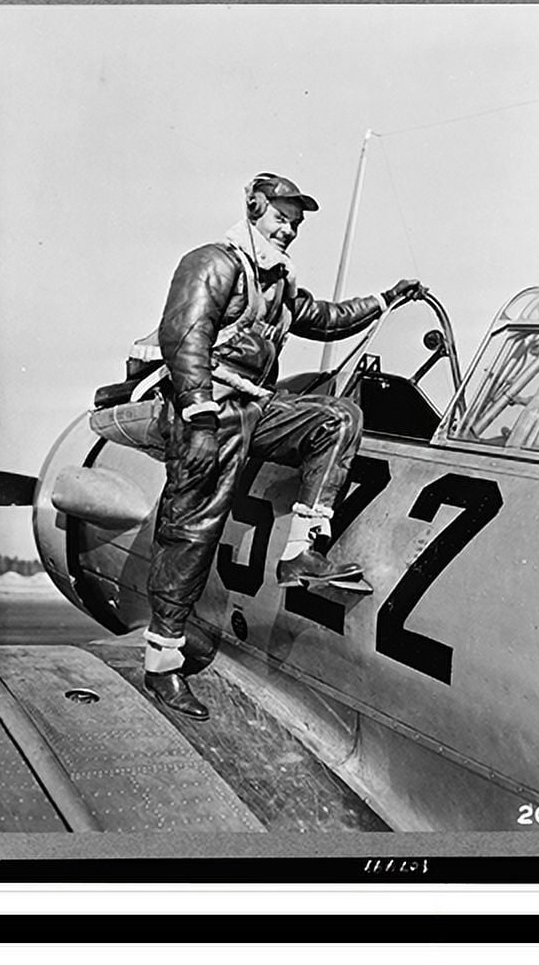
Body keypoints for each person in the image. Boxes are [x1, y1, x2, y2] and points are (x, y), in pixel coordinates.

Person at [143, 171, 425, 719]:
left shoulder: (277, 282)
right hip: (210, 409)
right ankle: (162, 665)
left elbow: (323, 319)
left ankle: (302, 552)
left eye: (295, 224)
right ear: (253, 207)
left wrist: (385, 299)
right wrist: (199, 422)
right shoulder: (213, 263)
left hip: (256, 406)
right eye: (281, 218)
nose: (289, 231)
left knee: (337, 418)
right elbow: (185, 340)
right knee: (192, 534)